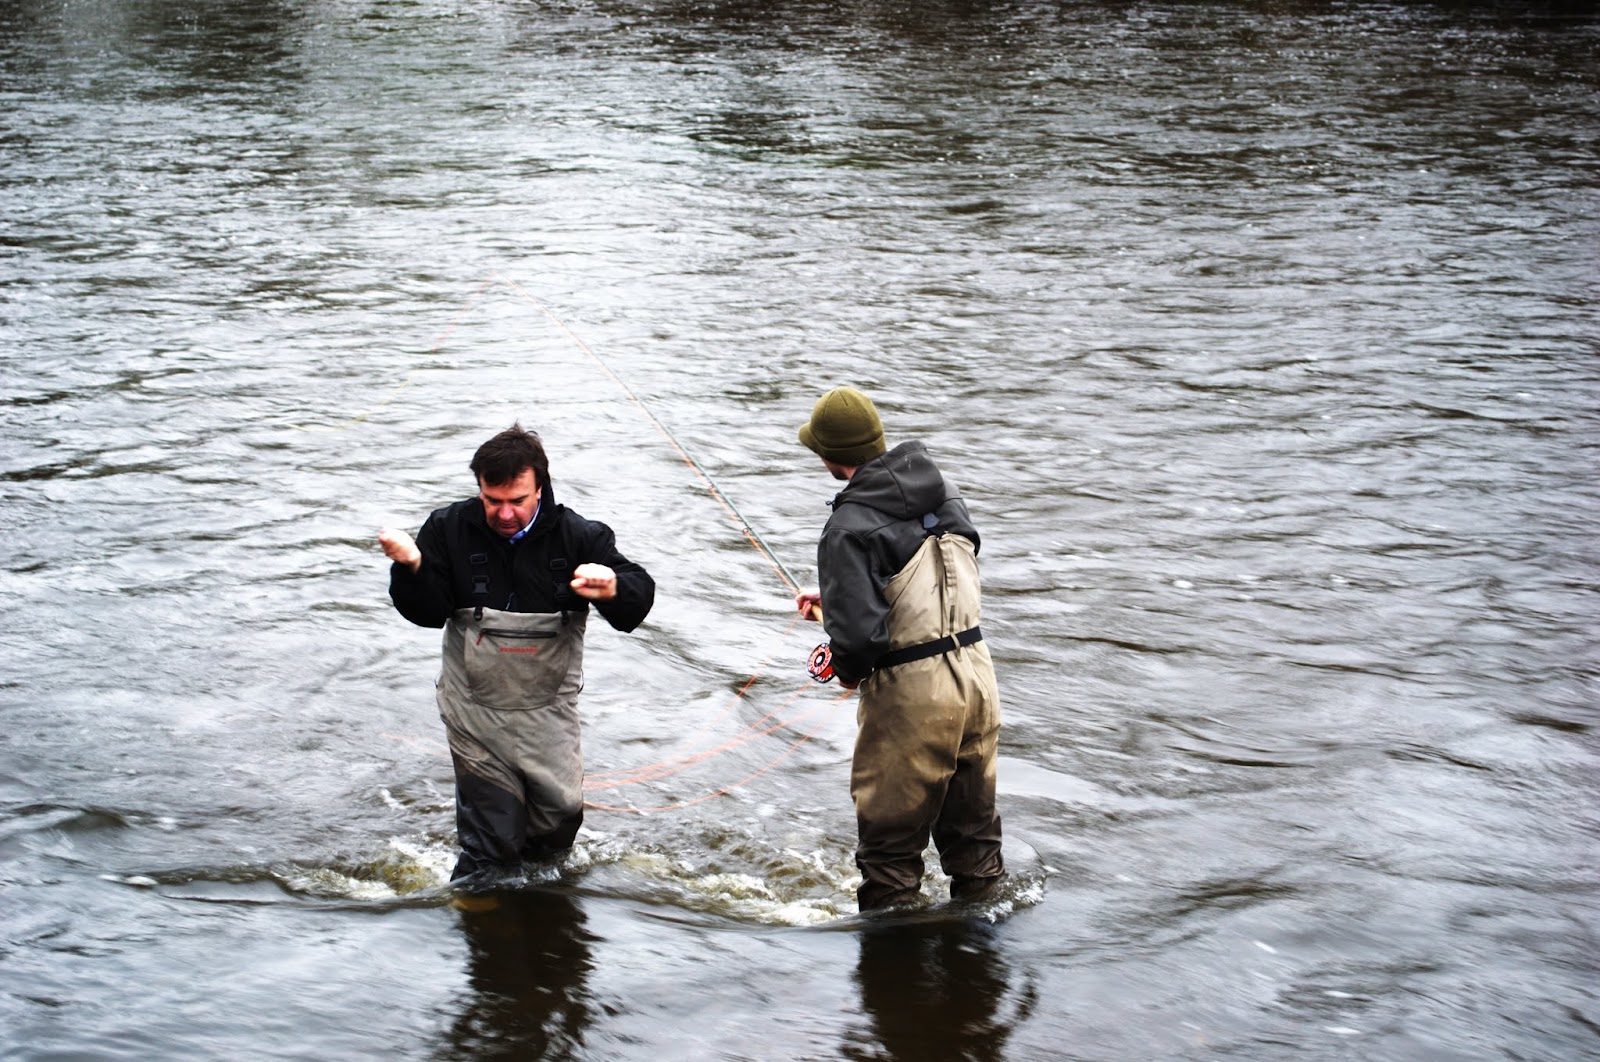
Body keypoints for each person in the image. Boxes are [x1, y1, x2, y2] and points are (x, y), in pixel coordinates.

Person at [378, 424, 654, 883]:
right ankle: (481, 919)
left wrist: (613, 589)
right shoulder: (447, 529)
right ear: (480, 490)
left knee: (558, 825)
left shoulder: (578, 536)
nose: (504, 512)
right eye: (492, 500)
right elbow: (426, 614)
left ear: (540, 487)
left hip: (549, 714)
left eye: (517, 500)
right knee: (493, 842)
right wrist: (411, 567)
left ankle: (538, 924)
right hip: (474, 712)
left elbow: (636, 604)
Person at [794, 386, 1005, 911]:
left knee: (889, 855)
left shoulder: (846, 527)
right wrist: (847, 597)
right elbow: (940, 574)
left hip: (914, 698)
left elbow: (861, 643)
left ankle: (892, 975)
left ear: (827, 455)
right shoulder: (945, 491)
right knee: (975, 844)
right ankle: (983, 959)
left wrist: (843, 664)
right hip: (978, 675)